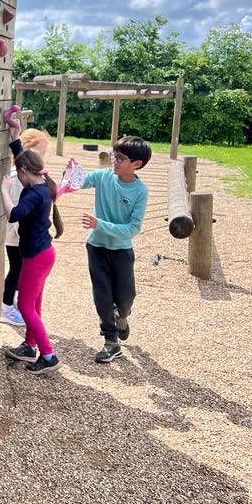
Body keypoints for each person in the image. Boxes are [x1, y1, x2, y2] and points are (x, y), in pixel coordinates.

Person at [77, 136, 151, 363]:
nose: (114, 161)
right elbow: (77, 182)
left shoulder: (140, 191)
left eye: (120, 158)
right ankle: (111, 341)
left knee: (125, 297)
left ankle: (123, 317)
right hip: (96, 247)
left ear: (136, 164)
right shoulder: (102, 176)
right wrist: (70, 173)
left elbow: (131, 229)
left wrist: (100, 224)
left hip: (121, 251)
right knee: (102, 295)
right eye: (114, 155)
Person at [0, 118, 64, 374]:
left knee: (25, 306)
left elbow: (13, 214)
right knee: (34, 304)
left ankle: (48, 355)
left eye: (19, 173)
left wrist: (4, 190)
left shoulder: (33, 194)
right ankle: (29, 345)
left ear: (25, 172)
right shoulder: (43, 183)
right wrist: (15, 137)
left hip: (36, 256)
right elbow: (22, 157)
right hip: (43, 253)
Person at [1, 128, 51, 327]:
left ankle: (10, 303)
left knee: (18, 269)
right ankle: (6, 307)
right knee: (16, 269)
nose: (43, 158)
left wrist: (14, 139)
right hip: (15, 235)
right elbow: (14, 210)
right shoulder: (19, 177)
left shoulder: (28, 172)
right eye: (41, 153)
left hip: (19, 234)